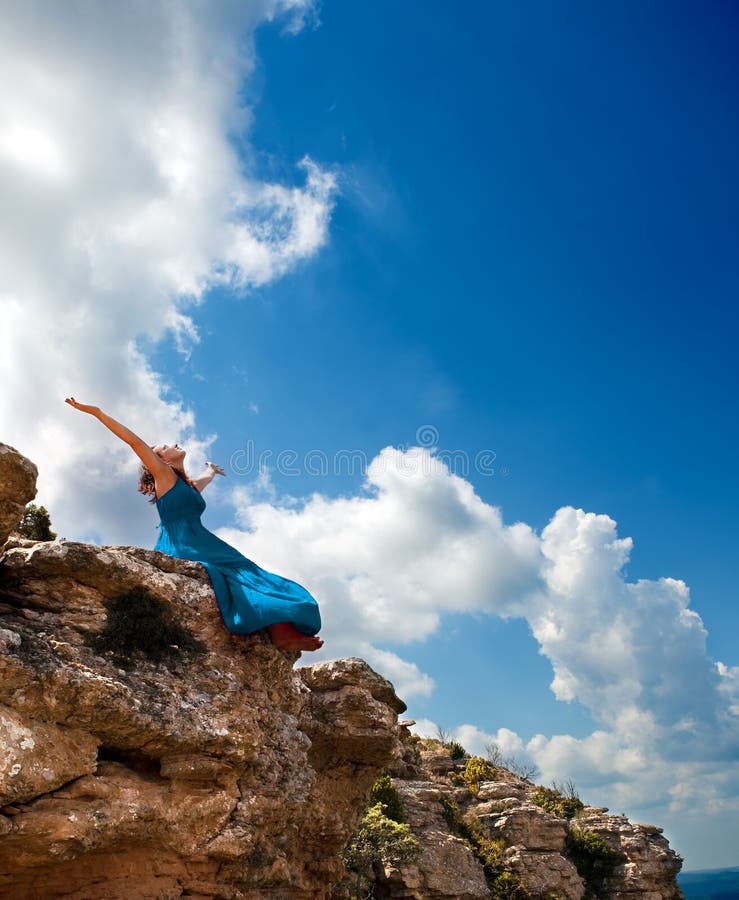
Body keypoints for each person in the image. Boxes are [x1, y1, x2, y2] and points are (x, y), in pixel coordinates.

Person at [65, 397, 323, 652]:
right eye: (166, 446)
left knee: (247, 570)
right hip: (182, 544)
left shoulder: (187, 486)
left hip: (202, 542)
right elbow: (134, 441)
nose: (174, 444)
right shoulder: (164, 476)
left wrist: (211, 470)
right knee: (237, 572)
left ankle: (281, 630)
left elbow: (204, 480)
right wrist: (97, 412)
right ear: (161, 460)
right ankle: (281, 632)